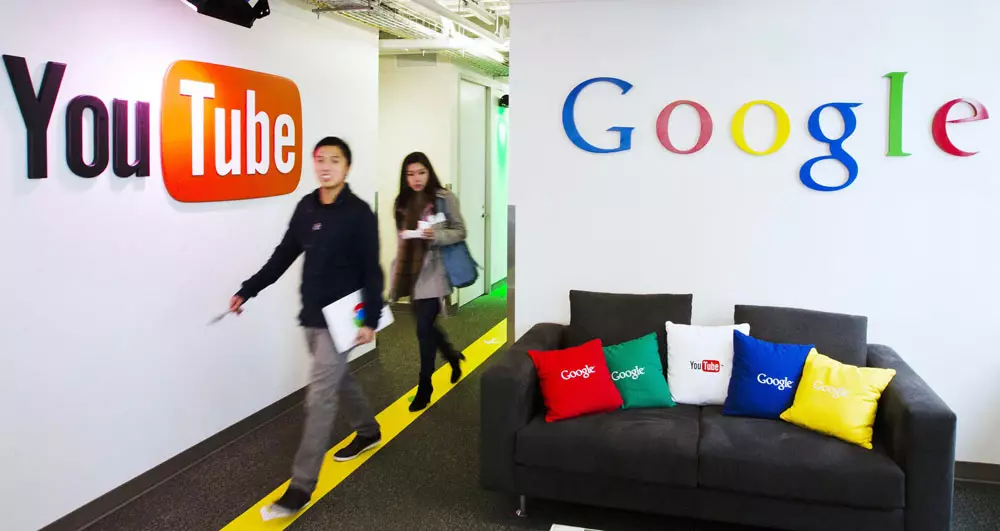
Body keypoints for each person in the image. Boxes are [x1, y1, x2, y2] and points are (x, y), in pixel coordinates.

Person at [229, 137, 384, 517]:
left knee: (319, 397)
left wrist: (371, 319)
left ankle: (301, 487)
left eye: (334, 160)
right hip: (312, 315)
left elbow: (371, 269)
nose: (325, 166)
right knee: (337, 379)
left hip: (344, 317)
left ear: (347, 168)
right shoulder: (306, 207)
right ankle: (368, 430)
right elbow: (284, 254)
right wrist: (249, 289)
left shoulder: (359, 213)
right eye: (320, 160)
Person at [390, 152, 467, 412]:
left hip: (435, 272)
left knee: (423, 330)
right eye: (410, 174)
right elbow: (402, 242)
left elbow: (460, 230)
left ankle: (425, 386)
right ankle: (453, 357)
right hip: (411, 274)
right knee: (427, 328)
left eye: (421, 172)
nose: (416, 179)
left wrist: (436, 235)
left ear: (429, 172)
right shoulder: (401, 202)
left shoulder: (444, 199)